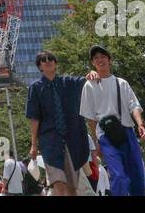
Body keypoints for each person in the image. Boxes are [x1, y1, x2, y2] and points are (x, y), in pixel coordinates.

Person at [79, 44, 145, 196]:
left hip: (127, 132)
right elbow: (90, 118)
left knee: (137, 174)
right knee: (118, 176)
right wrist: (97, 141)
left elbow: (134, 105)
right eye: (96, 58)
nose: (100, 60)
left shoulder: (121, 83)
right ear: (92, 63)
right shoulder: (89, 85)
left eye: (103, 56)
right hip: (106, 137)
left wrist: (140, 124)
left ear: (109, 60)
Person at [25, 50, 95, 196]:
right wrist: (33, 144)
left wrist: (91, 74)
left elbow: (85, 81)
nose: (48, 61)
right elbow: (34, 118)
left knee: (72, 188)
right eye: (43, 60)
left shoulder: (68, 83)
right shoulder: (36, 88)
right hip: (50, 142)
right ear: (40, 67)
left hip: (71, 141)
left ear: (56, 63)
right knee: (58, 183)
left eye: (51, 58)